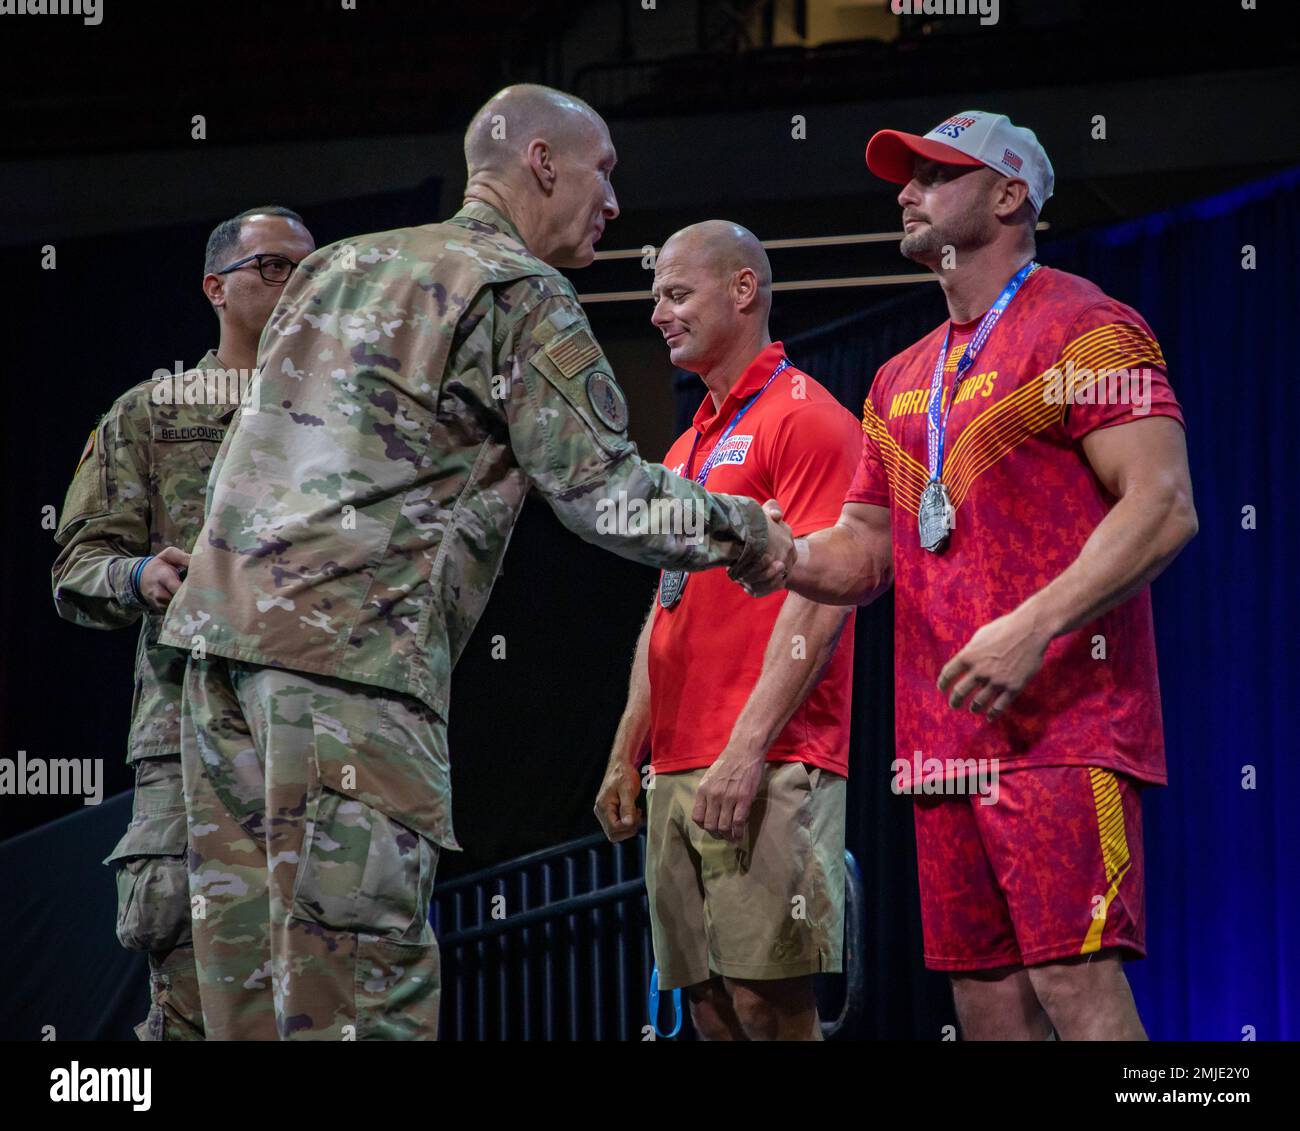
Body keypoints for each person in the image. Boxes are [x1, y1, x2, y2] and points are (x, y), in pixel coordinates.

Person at [157, 85, 794, 1041]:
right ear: (542, 163)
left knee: (243, 1006)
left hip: (213, 666)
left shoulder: (333, 266)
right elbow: (605, 494)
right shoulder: (516, 288)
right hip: (349, 672)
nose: (614, 204)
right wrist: (765, 537)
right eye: (603, 172)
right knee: (361, 998)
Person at [762, 111, 1197, 1039]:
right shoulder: (898, 378)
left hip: (1064, 729)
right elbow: (868, 550)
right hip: (940, 747)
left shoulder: (1087, 327)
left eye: (934, 173)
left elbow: (1163, 506)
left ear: (1009, 196)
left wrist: (1033, 624)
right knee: (986, 1005)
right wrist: (783, 553)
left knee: (1075, 986)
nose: (905, 190)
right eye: (904, 176)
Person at [50, 205, 316, 1040]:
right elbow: (76, 567)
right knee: (200, 994)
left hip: (322, 738)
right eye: (273, 267)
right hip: (191, 738)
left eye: (310, 271)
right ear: (216, 287)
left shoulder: (349, 423)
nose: (296, 285)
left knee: (330, 983)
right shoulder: (154, 414)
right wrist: (139, 573)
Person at [595, 221, 861, 1040]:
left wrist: (746, 750)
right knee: (709, 1010)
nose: (657, 315)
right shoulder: (684, 444)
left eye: (676, 294)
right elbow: (666, 602)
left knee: (767, 1007)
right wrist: (625, 749)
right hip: (677, 763)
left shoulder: (807, 418)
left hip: (767, 757)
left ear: (742, 291)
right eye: (655, 298)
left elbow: (822, 596)